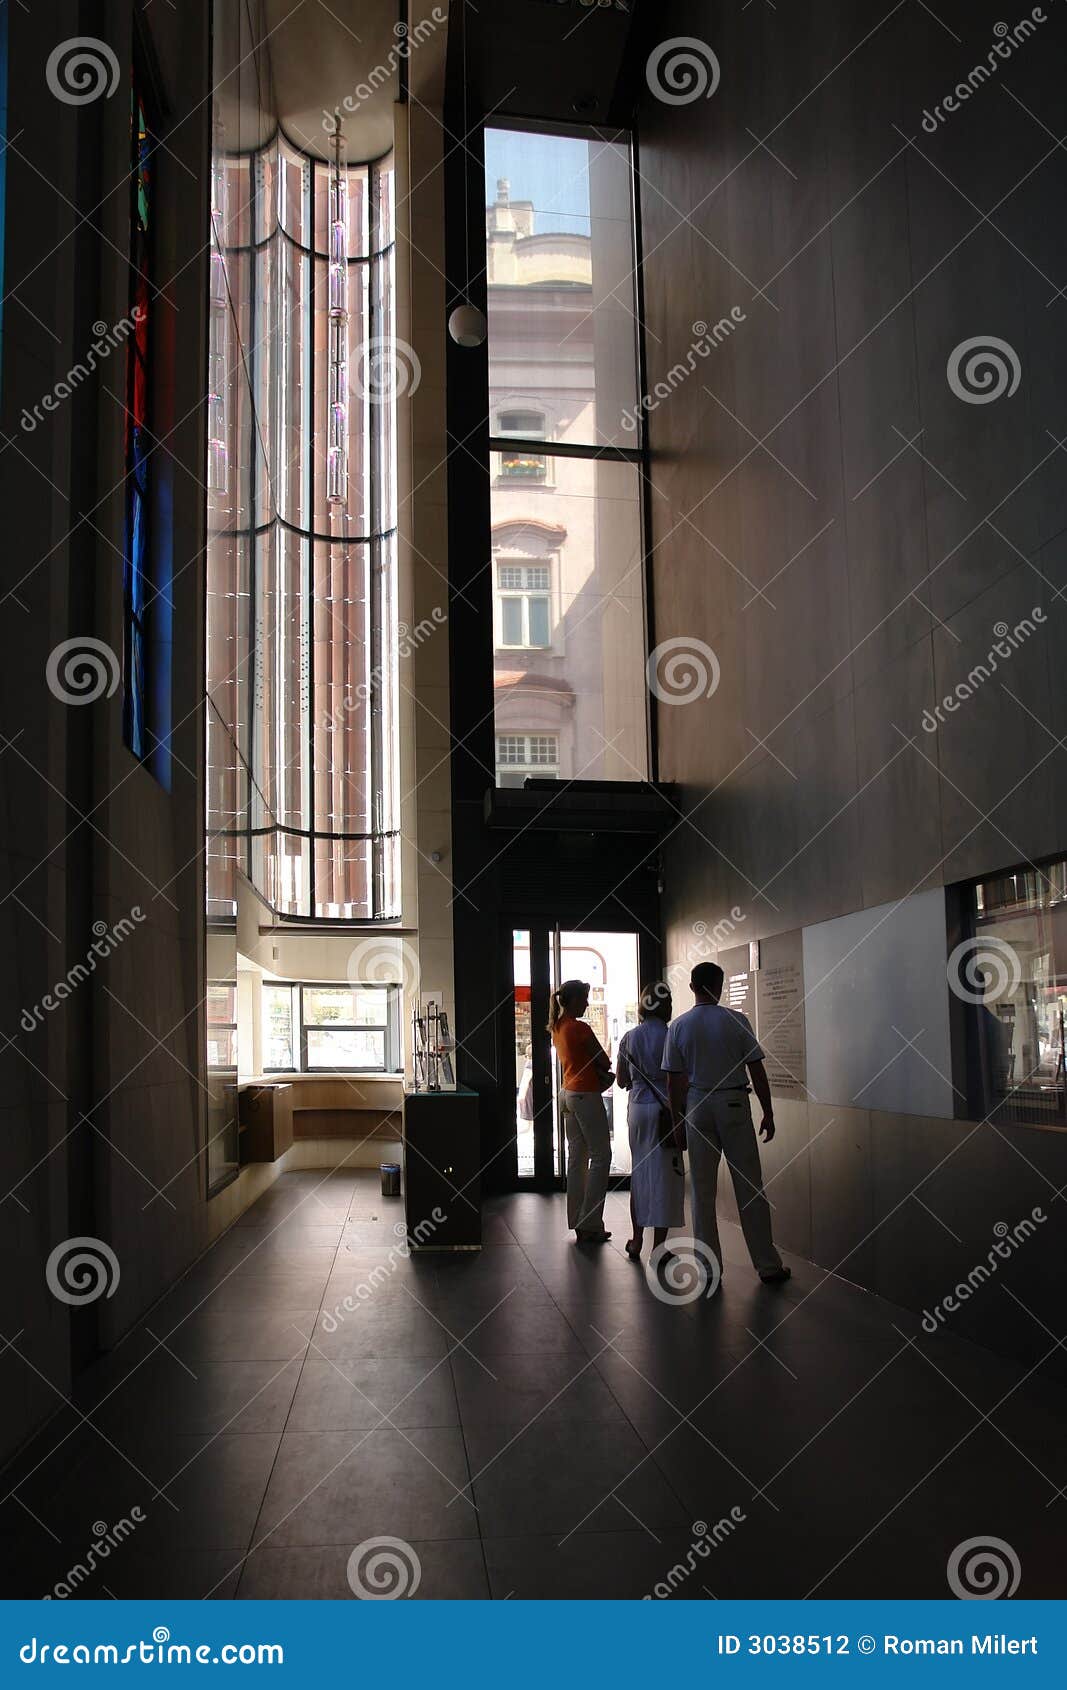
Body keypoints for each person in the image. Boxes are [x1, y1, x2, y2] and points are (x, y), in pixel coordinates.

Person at [662, 960, 790, 1287]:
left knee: (702, 1192)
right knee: (749, 1187)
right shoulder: (736, 1021)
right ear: (719, 985)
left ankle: (708, 1268)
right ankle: (767, 1265)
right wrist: (768, 1111)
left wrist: (677, 1121)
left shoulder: (678, 1026)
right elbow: (756, 1070)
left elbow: (674, 1081)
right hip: (733, 1102)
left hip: (696, 1105)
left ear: (692, 987)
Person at [616, 983, 685, 1261]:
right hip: (666, 1112)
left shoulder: (630, 1038)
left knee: (641, 1175)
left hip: (638, 1111)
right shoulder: (672, 1037)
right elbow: (681, 1079)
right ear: (666, 1006)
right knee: (666, 1177)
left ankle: (636, 1240)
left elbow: (621, 1080)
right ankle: (659, 1247)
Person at [549, 979, 613, 1243]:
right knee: (601, 1156)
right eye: (584, 998)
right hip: (586, 1093)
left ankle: (577, 1219)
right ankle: (591, 1222)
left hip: (567, 1093)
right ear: (573, 1000)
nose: (587, 1003)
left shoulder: (557, 1027)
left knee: (577, 1157)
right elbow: (604, 1059)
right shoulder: (580, 1028)